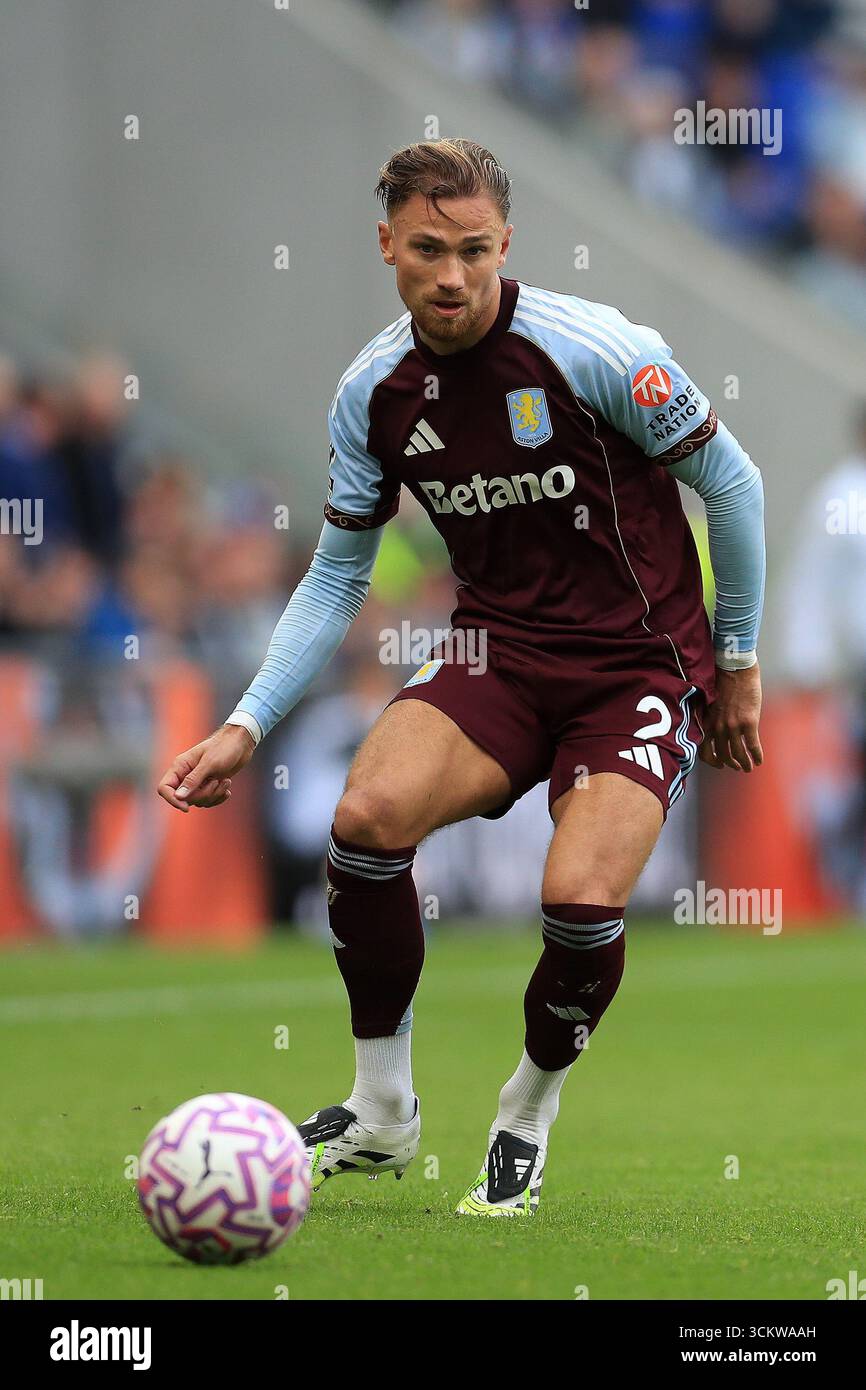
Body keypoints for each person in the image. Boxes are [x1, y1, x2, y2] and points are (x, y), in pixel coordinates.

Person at [158, 139, 765, 1216]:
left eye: (474, 251)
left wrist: (736, 659)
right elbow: (339, 569)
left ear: (505, 245)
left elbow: (732, 480)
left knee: (577, 899)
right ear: (386, 243)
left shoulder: (595, 351)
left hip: (636, 667)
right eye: (428, 249)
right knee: (365, 815)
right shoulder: (372, 392)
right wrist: (247, 724)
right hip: (496, 653)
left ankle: (526, 1109)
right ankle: (381, 1109)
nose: (451, 275)